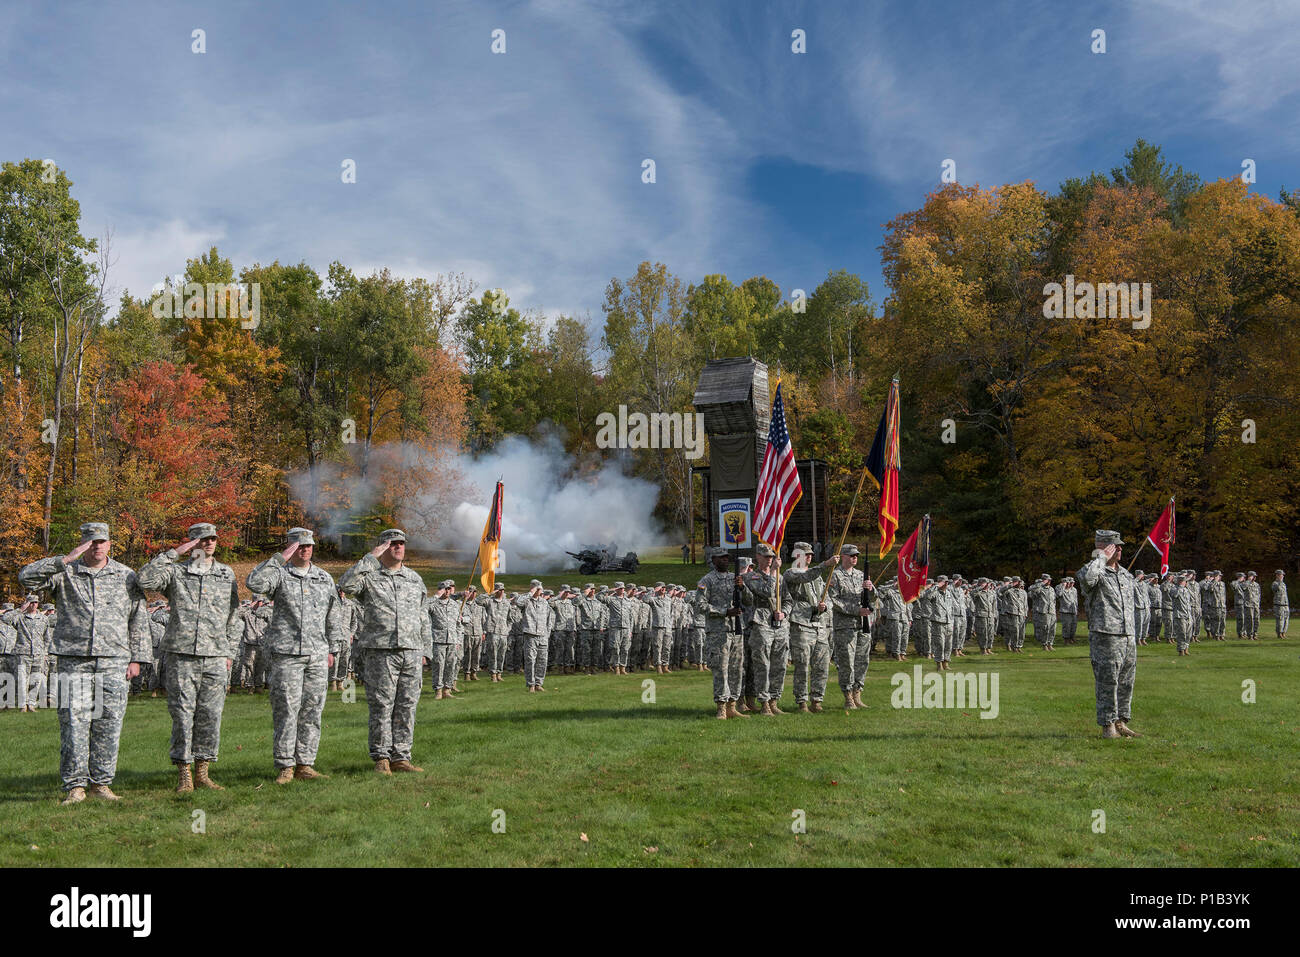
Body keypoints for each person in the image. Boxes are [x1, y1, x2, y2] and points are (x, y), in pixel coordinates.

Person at [19, 521, 152, 804]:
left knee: (109, 723)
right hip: (73, 660)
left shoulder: (126, 576)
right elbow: (26, 578)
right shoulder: (65, 573)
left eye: (101, 541)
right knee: (73, 724)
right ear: (83, 543)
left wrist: (138, 659)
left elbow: (138, 618)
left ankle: (101, 783)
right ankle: (75, 786)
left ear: (110, 544)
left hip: (114, 661)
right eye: (91, 542)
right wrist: (64, 559)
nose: (96, 546)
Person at [136, 523, 243, 793]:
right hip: (181, 655)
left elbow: (234, 615)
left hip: (215, 655)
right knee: (183, 715)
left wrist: (229, 651)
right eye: (202, 539)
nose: (209, 543)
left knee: (210, 714)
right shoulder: (176, 572)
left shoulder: (225, 573)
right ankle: (184, 773)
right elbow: (144, 580)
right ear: (193, 543)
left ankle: (203, 772)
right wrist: (174, 553)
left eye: (213, 539)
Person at [246, 527, 345, 784]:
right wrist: (280, 558)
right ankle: (285, 766)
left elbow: (333, 614)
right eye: (299, 545)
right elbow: (254, 583)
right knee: (287, 710)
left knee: (312, 710)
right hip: (286, 654)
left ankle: (305, 763)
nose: (305, 549)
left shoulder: (323, 578)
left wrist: (333, 648)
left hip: (316, 653)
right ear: (290, 547)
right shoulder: (278, 575)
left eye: (309, 545)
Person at [337, 529, 432, 775]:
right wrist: (371, 557)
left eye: (401, 543)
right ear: (382, 547)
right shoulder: (370, 577)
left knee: (407, 704)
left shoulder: (414, 578)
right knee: (382, 705)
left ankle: (401, 757)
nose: (398, 547)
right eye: (392, 544)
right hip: (381, 650)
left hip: (411, 649)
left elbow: (423, 616)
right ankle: (381, 757)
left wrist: (426, 649)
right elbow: (345, 585)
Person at [1074, 530, 1140, 739]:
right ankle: (1108, 726)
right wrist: (1100, 557)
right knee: (1107, 682)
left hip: (1127, 635)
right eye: (1115, 545)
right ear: (1103, 546)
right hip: (1106, 636)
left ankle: (1121, 721)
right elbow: (1087, 579)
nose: (1120, 549)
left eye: (1120, 545)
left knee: (1126, 681)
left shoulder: (1125, 575)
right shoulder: (1093, 571)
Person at [783, 541, 836, 711]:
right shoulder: (791, 573)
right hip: (800, 622)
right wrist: (825, 564)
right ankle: (801, 701)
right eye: (806, 554)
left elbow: (825, 595)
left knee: (822, 664)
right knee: (802, 664)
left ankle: (817, 699)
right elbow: (804, 577)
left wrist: (825, 606)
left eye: (811, 554)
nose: (809, 557)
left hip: (819, 623)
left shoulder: (817, 577)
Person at [698, 547, 750, 719]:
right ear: (713, 560)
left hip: (736, 630)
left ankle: (732, 705)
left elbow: (750, 600)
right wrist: (724, 611)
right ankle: (721, 706)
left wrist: (743, 588)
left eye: (727, 558)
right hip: (718, 632)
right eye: (721, 558)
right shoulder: (707, 580)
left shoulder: (735, 579)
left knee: (736, 668)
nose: (725, 560)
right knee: (721, 669)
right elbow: (700, 605)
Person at [828, 544, 872, 708]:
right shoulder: (835, 575)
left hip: (863, 625)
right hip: (845, 625)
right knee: (847, 662)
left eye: (857, 555)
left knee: (862, 660)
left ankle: (857, 693)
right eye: (852, 555)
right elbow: (834, 600)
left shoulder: (861, 575)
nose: (855, 558)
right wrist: (855, 610)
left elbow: (870, 596)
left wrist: (870, 588)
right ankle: (848, 696)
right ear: (843, 556)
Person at [2, 594, 51, 712]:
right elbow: (5, 619)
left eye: (35, 602)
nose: (34, 605)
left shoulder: (43, 619)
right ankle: (23, 705)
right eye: (31, 602)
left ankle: (31, 704)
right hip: (23, 653)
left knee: (36, 680)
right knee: (22, 679)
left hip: (38, 653)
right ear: (27, 604)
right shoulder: (20, 618)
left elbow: (47, 638)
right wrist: (20, 609)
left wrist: (45, 653)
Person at [514, 580, 551, 692]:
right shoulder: (527, 601)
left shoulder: (544, 602)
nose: (539, 590)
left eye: (540, 588)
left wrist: (547, 632)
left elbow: (549, 618)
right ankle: (531, 684)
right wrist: (530, 593)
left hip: (543, 635)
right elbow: (518, 603)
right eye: (537, 588)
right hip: (530, 635)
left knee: (542, 660)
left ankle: (539, 683)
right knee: (530, 660)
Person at [1028, 574, 1057, 650]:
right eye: (1047, 580)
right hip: (1044, 611)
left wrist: (1054, 609)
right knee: (1045, 628)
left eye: (1050, 580)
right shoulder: (1039, 588)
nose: (1049, 581)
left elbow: (1054, 600)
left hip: (1052, 611)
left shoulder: (1052, 589)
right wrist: (1041, 583)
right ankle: (1044, 644)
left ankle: (1050, 643)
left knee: (1052, 629)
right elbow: (1030, 589)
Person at [1272, 570, 1290, 639]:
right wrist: (1279, 581)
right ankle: (1279, 634)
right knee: (1280, 620)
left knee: (1286, 620)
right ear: (1277, 575)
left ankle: (1284, 633)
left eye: (1282, 575)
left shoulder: (1283, 584)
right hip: (1279, 605)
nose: (1282, 576)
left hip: (1285, 604)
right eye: (1281, 575)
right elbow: (1275, 589)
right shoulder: (1275, 583)